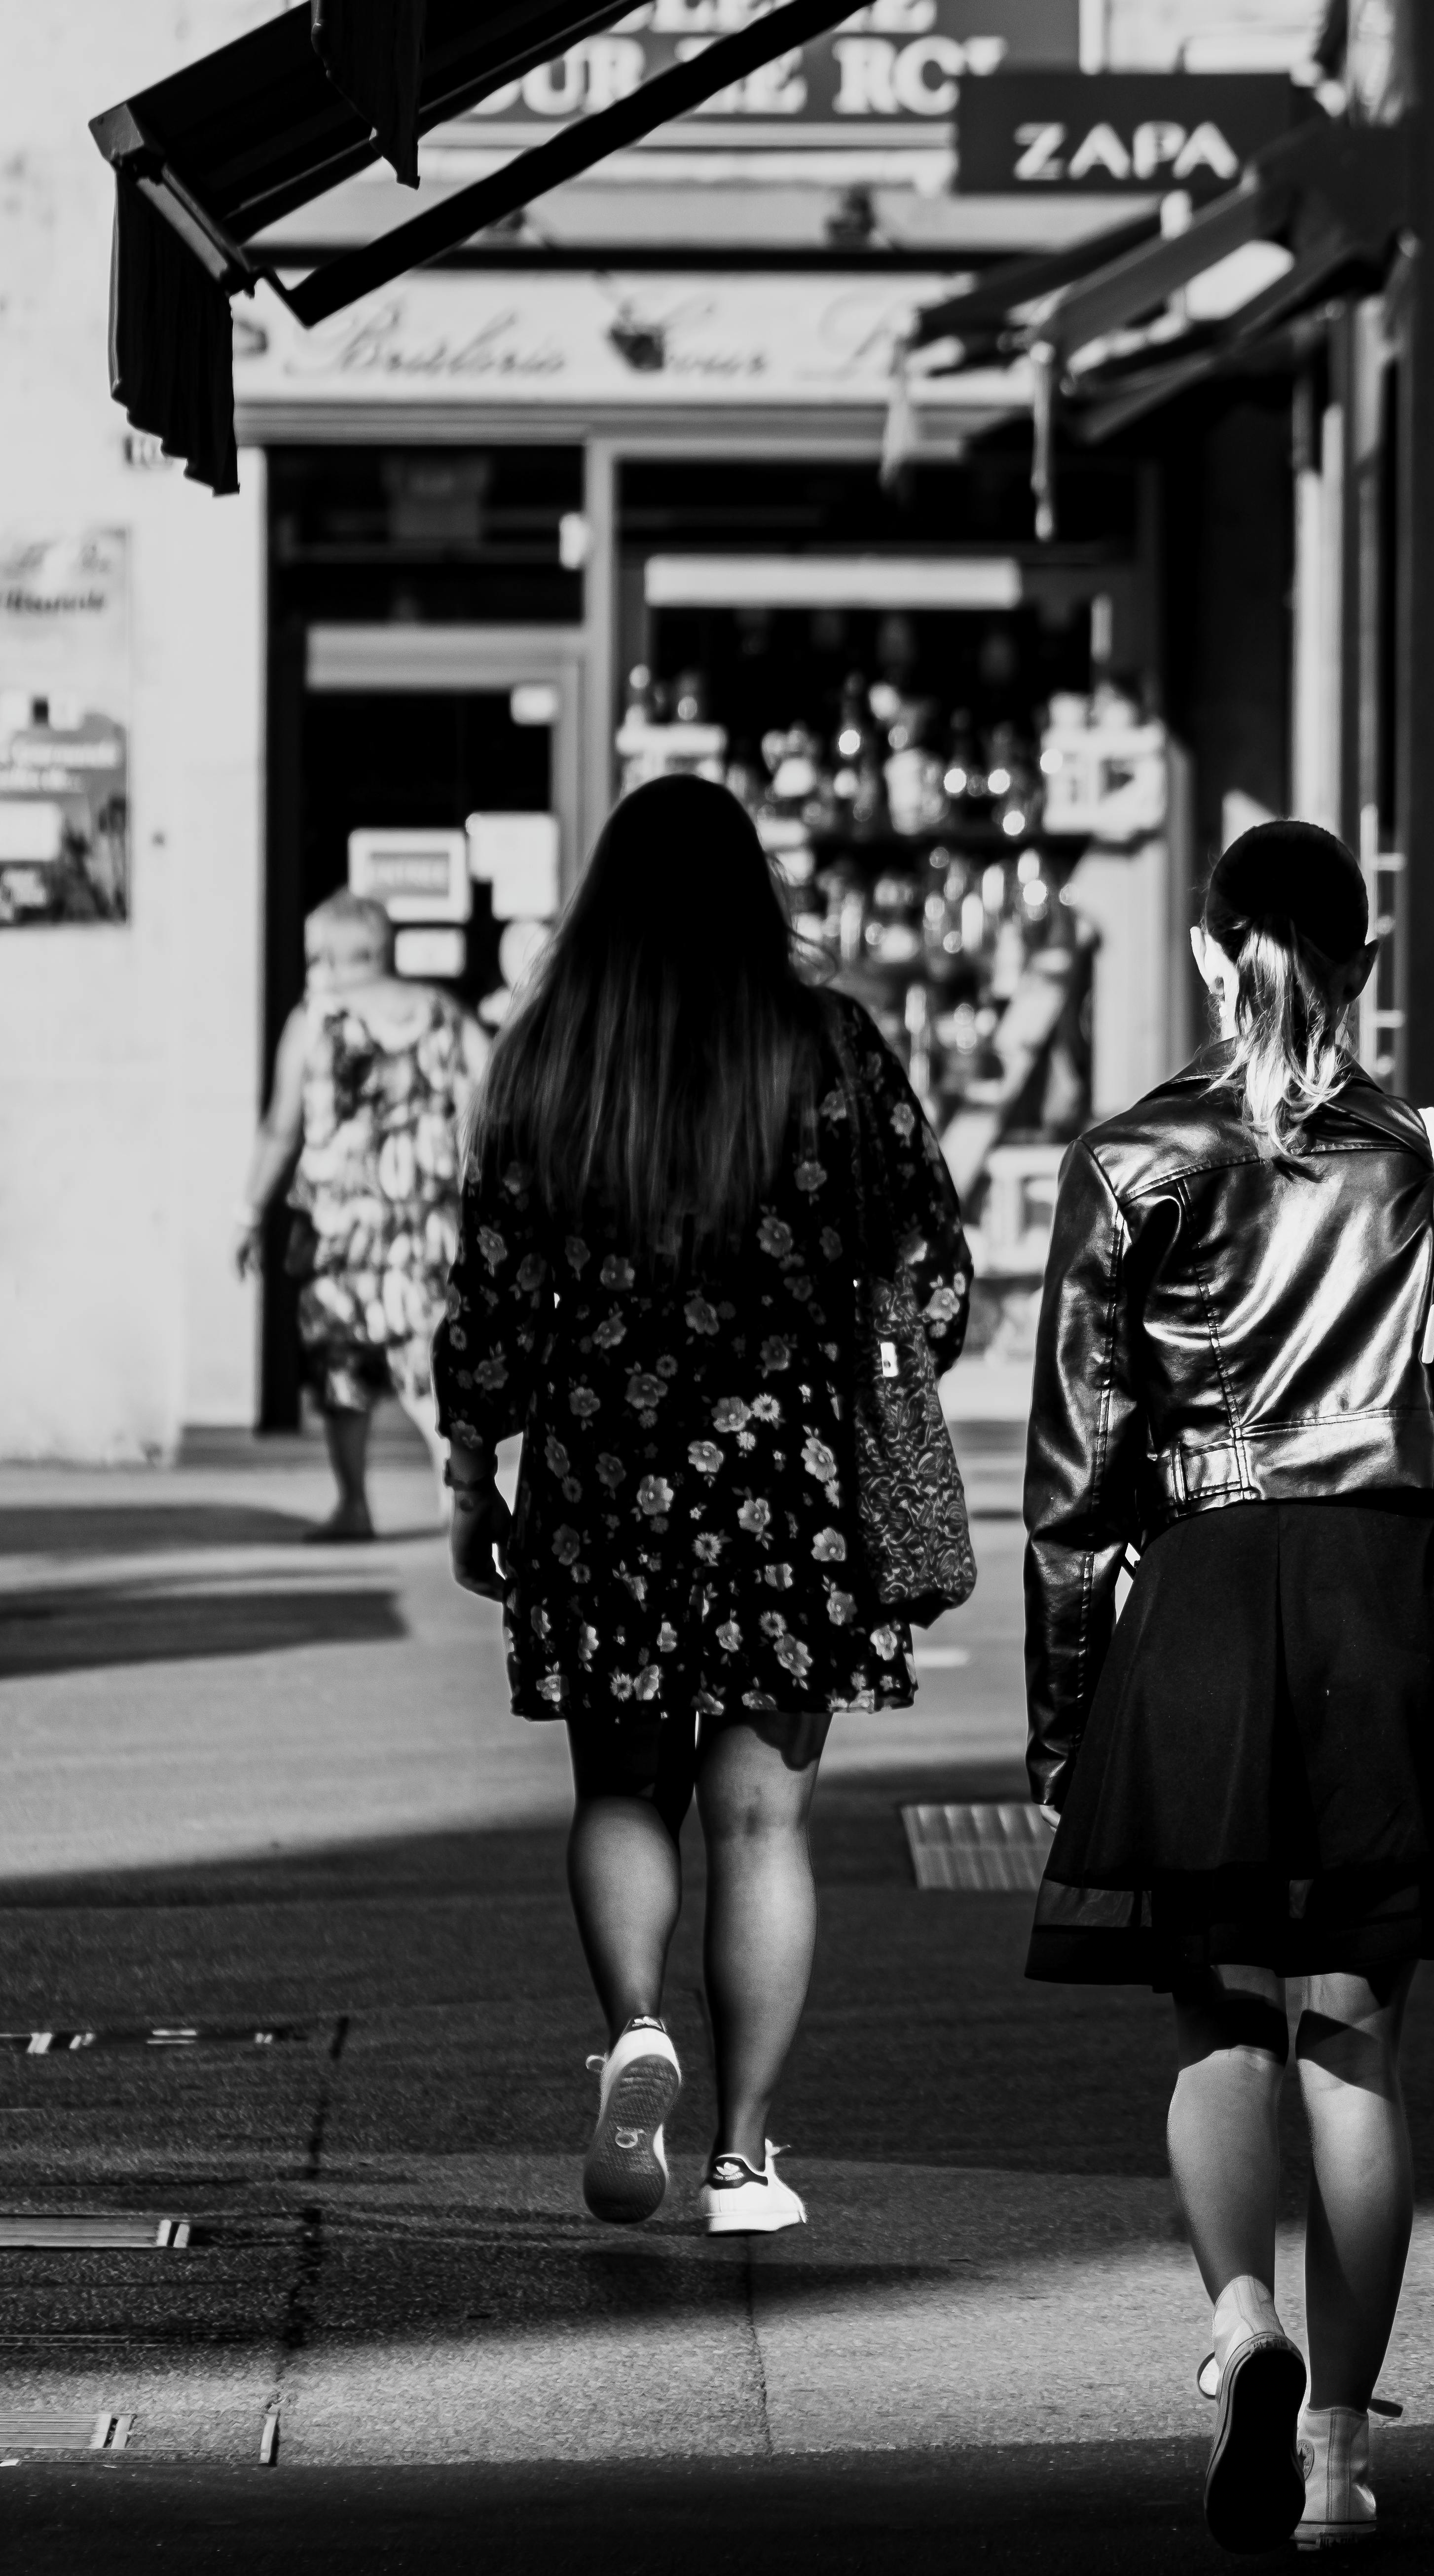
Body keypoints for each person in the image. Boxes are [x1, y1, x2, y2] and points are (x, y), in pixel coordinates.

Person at [1022, 820, 1434, 2556]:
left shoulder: (1135, 1157)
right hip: (1384, 1602)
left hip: (1201, 1596)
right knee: (1355, 2034)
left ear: (1208, 956)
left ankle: (1238, 2328)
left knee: (1219, 2012)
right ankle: (1336, 2451)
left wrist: (1064, 1719)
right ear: (1365, 962)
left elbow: (1078, 1469)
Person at [434, 774, 970, 2236]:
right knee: (760, 1831)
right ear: (755, 890)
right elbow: (930, 1260)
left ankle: (634, 2032)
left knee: (623, 1792)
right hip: (788, 1486)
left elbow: (491, 1293)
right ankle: (743, 2155)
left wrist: (474, 1462)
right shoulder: (829, 1045)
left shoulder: (550, 1057)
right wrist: (891, 1363)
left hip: (608, 1481)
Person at [235, 888, 487, 1538]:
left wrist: (248, 1213)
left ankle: (354, 1505)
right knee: (433, 1365)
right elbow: (489, 1116)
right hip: (426, 1227)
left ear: (330, 953)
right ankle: (456, 1497)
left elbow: (280, 1129)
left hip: (339, 1232)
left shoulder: (315, 1020)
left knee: (342, 1366)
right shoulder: (444, 1015)